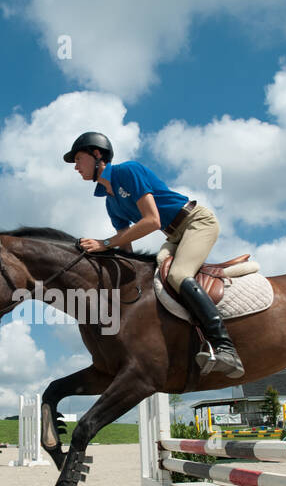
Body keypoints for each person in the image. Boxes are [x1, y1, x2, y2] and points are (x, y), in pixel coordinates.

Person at [64, 131, 244, 378]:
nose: (75, 167)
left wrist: (104, 243)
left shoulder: (127, 171)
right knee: (154, 275)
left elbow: (151, 220)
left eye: (78, 159)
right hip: (174, 236)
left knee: (179, 274)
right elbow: (126, 248)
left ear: (97, 155)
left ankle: (225, 347)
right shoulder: (110, 202)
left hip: (196, 221)